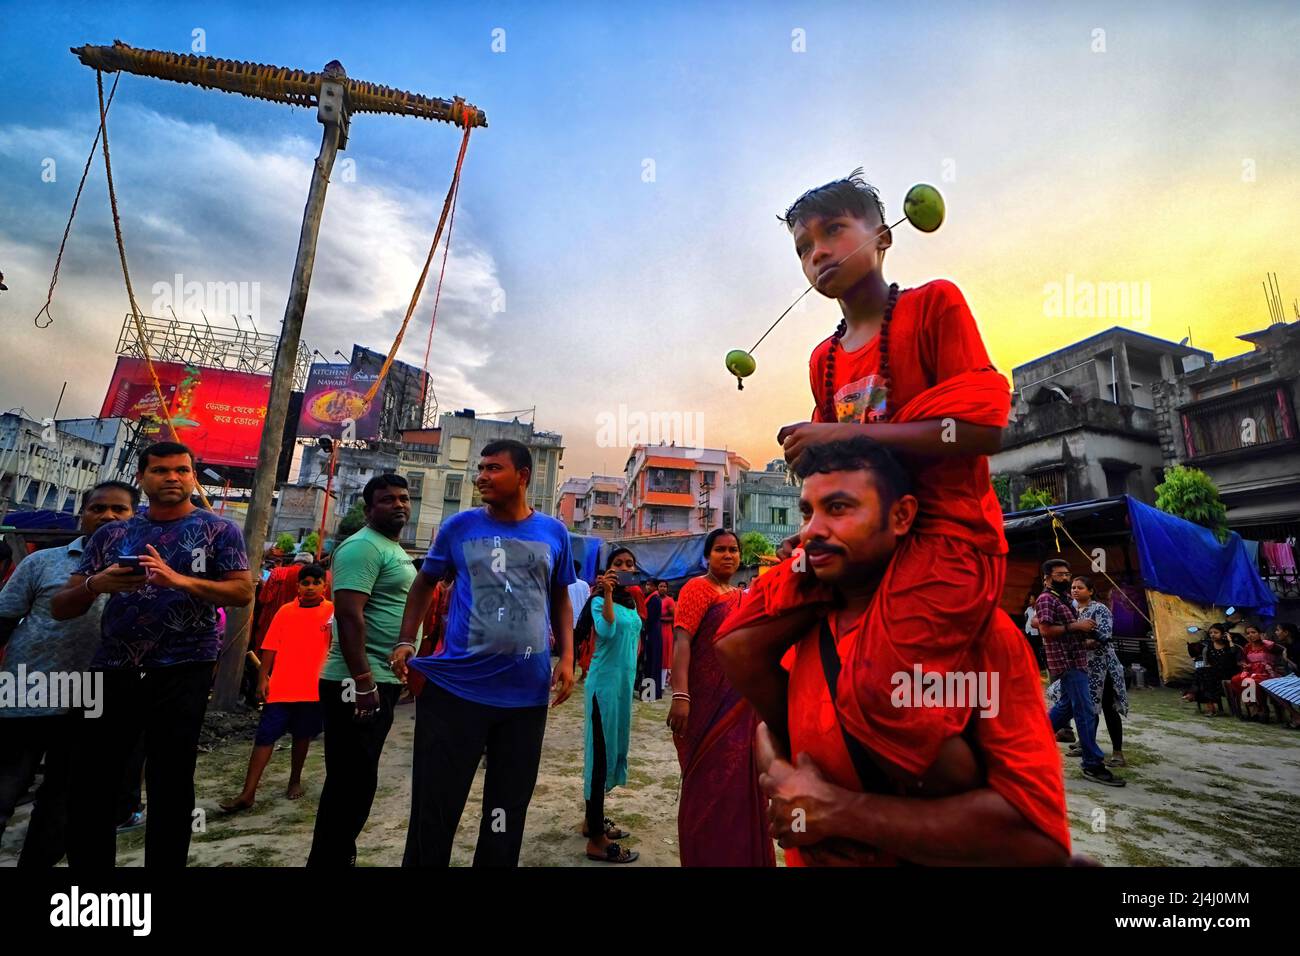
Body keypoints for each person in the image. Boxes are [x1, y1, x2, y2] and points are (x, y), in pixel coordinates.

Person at [715, 437, 1070, 865]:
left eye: (839, 508)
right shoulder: (807, 625)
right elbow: (777, 722)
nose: (811, 531)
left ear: (901, 516)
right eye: (807, 512)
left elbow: (1038, 841)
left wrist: (839, 812)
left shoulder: (977, 633)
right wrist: (781, 780)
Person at [772, 171, 1013, 784]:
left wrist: (842, 434)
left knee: (883, 688)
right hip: (860, 548)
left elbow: (981, 429)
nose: (817, 252)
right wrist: (810, 483)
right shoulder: (822, 360)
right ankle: (818, 772)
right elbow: (836, 472)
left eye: (832, 231)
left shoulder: (934, 305)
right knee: (743, 636)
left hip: (947, 537)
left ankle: (986, 819)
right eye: (803, 246)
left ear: (882, 236)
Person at [52, 442, 253, 867]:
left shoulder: (220, 530)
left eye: (182, 470)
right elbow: (61, 606)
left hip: (185, 668)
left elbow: (241, 591)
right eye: (161, 470)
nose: (173, 478)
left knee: (171, 779)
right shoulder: (112, 534)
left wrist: (178, 580)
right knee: (93, 780)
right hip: (113, 668)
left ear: (192, 476)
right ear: (142, 478)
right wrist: (97, 585)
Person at [392, 439, 576, 867]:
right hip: (457, 693)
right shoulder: (460, 527)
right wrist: (406, 640)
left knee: (505, 814)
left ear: (523, 476)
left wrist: (566, 657)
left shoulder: (554, 532)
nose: (482, 477)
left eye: (493, 468)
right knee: (435, 810)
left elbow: (560, 597)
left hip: (525, 699)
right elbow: (425, 583)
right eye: (481, 468)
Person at [0, 481, 139, 866]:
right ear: (84, 513)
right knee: (6, 786)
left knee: (61, 799)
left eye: (119, 509)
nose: (108, 516)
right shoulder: (42, 562)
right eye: (98, 508)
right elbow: (5, 618)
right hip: (27, 689)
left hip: (91, 695)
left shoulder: (146, 571)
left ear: (134, 517)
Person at [306, 474, 414, 867]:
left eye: (403, 498)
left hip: (378, 679)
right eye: (387, 500)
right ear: (369, 509)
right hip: (354, 681)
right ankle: (329, 860)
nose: (399, 504)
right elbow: (349, 617)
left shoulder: (390, 547)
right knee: (349, 782)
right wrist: (365, 681)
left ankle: (340, 855)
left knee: (359, 779)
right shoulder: (362, 548)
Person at [666, 529, 773, 867]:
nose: (728, 555)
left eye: (733, 550)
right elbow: (682, 642)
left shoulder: (742, 596)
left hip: (741, 707)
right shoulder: (697, 589)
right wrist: (681, 694)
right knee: (707, 786)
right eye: (720, 550)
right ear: (707, 556)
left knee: (740, 788)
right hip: (705, 705)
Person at [220, 563, 332, 813]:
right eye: (306, 583)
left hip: (313, 688)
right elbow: (270, 647)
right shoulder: (285, 611)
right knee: (265, 737)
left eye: (316, 582)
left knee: (302, 737)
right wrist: (263, 679)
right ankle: (248, 792)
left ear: (324, 585)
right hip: (281, 686)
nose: (311, 587)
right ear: (298, 586)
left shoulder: (331, 612)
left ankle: (295, 780)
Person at [1035, 559, 1124, 787]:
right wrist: (1077, 627)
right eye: (1060, 575)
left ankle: (1030, 744)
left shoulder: (1063, 599)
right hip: (1067, 662)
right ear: (1047, 577)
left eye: (1067, 574)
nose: (1066, 579)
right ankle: (1092, 763)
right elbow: (1045, 630)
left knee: (1065, 707)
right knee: (1084, 709)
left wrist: (1083, 633)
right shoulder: (1046, 598)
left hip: (1080, 659)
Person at [580, 548, 642, 863]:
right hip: (602, 688)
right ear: (607, 570)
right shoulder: (597, 602)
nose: (624, 568)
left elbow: (634, 642)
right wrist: (605, 593)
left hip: (621, 688)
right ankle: (596, 841)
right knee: (599, 756)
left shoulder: (633, 602)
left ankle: (591, 820)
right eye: (618, 563)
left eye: (629, 564)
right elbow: (606, 630)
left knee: (612, 749)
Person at [1063, 575, 1128, 767]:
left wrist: (1077, 644)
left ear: (1090, 591)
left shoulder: (1100, 609)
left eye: (1080, 587)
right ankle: (1086, 744)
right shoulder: (1071, 610)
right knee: (1086, 708)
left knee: (1108, 707)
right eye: (1073, 587)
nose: (1075, 590)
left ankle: (1118, 753)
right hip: (1082, 667)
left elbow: (1104, 637)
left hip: (1103, 666)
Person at [1229, 622, 1277, 720]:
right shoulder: (1247, 647)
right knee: (1236, 679)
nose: (1250, 635)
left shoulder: (1268, 645)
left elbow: (1276, 650)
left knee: (1253, 681)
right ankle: (1252, 706)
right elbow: (1244, 660)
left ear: (1260, 633)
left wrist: (1264, 640)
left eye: (1253, 632)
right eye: (1248, 633)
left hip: (1266, 672)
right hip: (1251, 671)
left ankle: (1263, 707)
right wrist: (1244, 664)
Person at [1196, 624, 1241, 717]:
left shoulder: (1230, 646)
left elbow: (1234, 656)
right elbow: (1207, 663)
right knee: (1202, 672)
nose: (1212, 635)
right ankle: (1211, 706)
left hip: (1229, 672)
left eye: (1216, 632)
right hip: (1214, 673)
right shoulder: (1208, 648)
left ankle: (1192, 694)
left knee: (1205, 674)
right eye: (1211, 633)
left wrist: (1230, 640)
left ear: (1223, 634)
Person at [640, 577, 663, 700]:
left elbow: (650, 619)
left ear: (654, 587)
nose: (647, 587)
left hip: (652, 635)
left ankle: (649, 694)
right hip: (652, 633)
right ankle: (648, 693)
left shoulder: (654, 599)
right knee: (648, 663)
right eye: (647, 584)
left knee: (650, 663)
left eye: (649, 585)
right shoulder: (651, 598)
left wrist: (645, 631)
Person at [657, 580, 676, 691]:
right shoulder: (654, 599)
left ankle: (662, 684)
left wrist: (661, 619)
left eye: (664, 586)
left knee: (664, 656)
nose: (663, 588)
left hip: (665, 630)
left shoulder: (669, 601)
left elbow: (674, 617)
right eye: (660, 586)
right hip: (656, 630)